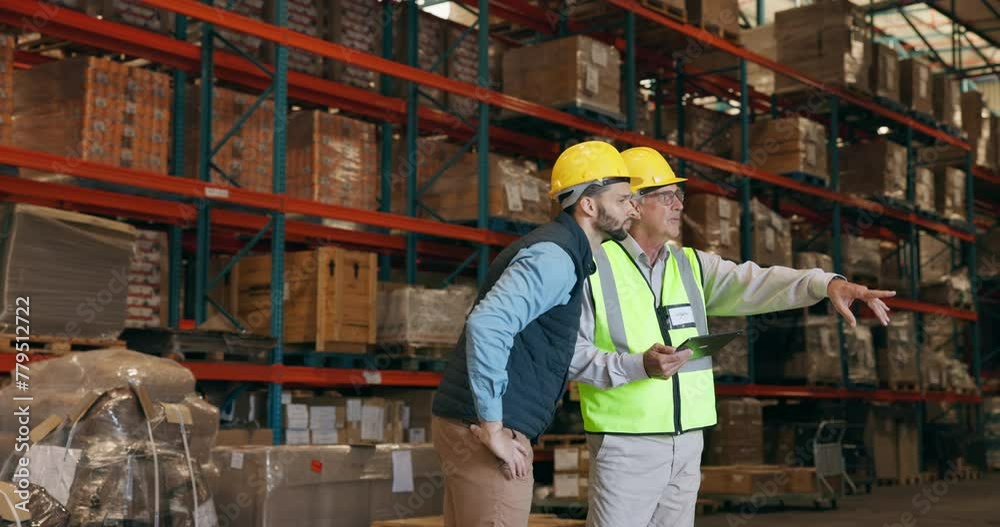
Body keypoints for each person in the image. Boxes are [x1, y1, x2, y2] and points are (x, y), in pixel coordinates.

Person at [569, 146, 896, 527]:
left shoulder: (690, 265)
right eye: (667, 196)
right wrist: (638, 365)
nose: (679, 205)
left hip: (688, 441)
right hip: (626, 442)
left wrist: (824, 284)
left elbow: (755, 281)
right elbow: (572, 356)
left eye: (680, 196)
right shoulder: (592, 267)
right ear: (635, 206)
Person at [430, 140, 642, 527]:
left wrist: (637, 365)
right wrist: (494, 428)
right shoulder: (555, 257)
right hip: (486, 430)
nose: (634, 207)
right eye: (624, 198)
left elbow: (549, 348)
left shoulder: (566, 253)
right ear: (589, 205)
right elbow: (488, 324)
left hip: (471, 423)